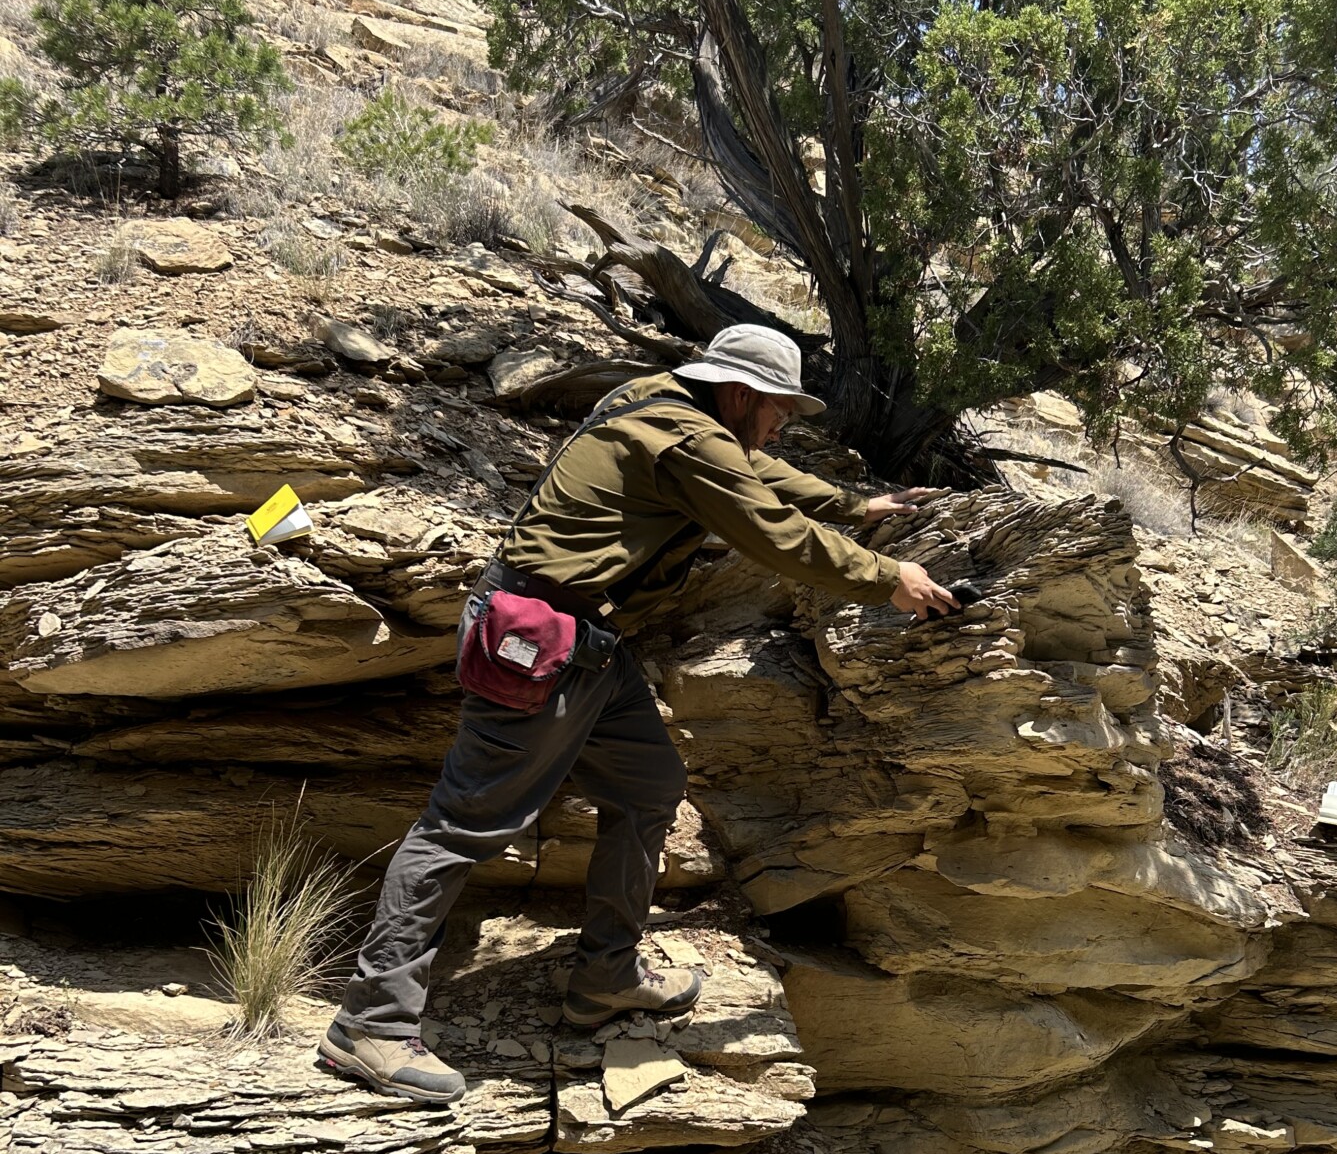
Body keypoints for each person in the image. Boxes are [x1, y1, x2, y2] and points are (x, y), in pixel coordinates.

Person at [320, 323, 958, 1104]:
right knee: (463, 824)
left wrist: (857, 505)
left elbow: (755, 474)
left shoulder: (664, 404)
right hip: (539, 639)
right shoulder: (686, 436)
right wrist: (888, 577)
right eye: (780, 411)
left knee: (650, 785)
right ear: (738, 393)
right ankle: (372, 1024)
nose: (781, 425)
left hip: (591, 644)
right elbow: (772, 530)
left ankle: (605, 978)